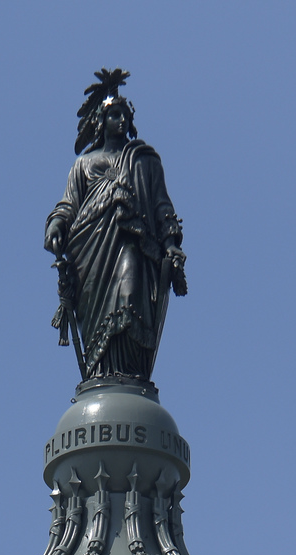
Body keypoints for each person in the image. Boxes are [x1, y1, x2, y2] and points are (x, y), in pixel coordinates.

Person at [45, 70, 187, 384]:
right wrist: (56, 223)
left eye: (125, 115)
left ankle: (131, 372)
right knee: (96, 310)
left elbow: (162, 204)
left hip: (131, 242)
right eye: (114, 115)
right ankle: (101, 374)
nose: (121, 121)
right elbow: (69, 203)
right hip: (90, 248)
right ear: (101, 121)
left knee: (130, 294)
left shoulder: (144, 160)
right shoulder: (83, 164)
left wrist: (171, 242)